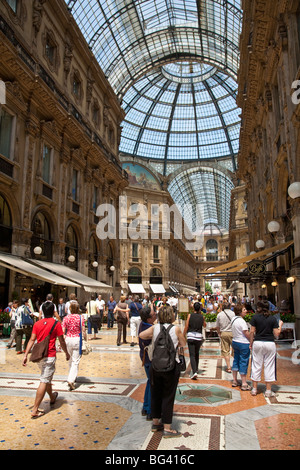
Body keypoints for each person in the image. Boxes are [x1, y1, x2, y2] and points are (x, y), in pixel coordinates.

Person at [139, 305, 186, 438]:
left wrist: (152, 340)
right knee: (168, 396)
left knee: (156, 394)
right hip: (171, 367)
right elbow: (183, 344)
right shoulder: (176, 329)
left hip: (156, 366)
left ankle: (155, 423)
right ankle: (167, 428)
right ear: (171, 316)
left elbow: (141, 335)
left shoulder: (155, 328)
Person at [22, 301, 70, 418]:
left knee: (46, 377)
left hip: (39, 356)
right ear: (53, 311)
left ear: (42, 311)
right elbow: (62, 341)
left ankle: (52, 397)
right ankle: (35, 409)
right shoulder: (56, 324)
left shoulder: (37, 324)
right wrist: (66, 353)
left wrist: (26, 354)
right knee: (44, 380)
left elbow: (32, 340)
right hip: (49, 355)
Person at [249, 300, 283, 397]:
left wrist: (251, 343)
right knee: (269, 365)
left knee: (256, 365)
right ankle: (268, 391)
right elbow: (276, 334)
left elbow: (252, 332)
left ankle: (254, 389)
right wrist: (280, 325)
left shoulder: (255, 317)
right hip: (269, 343)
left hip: (258, 342)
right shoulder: (272, 319)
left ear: (258, 307)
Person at [62, 301, 86, 391]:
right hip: (77, 340)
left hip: (68, 339)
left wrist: (62, 341)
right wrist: (85, 340)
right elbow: (83, 330)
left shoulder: (66, 318)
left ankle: (71, 376)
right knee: (76, 361)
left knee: (70, 359)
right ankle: (71, 379)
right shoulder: (80, 317)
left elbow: (63, 330)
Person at [138, 306, 156, 420]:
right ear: (149, 319)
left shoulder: (142, 324)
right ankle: (149, 410)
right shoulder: (151, 328)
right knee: (152, 383)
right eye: (154, 314)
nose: (156, 315)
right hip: (150, 357)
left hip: (144, 357)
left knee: (150, 381)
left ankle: (145, 407)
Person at [230, 304, 251, 390]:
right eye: (244, 309)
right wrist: (251, 339)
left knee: (236, 359)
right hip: (243, 342)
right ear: (240, 311)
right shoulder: (242, 321)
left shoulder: (233, 319)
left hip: (235, 341)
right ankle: (244, 383)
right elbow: (246, 332)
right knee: (243, 361)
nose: (246, 311)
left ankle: (235, 380)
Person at [183, 302, 206, 379]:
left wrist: (183, 335)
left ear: (193, 308)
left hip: (190, 336)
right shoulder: (202, 316)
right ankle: (196, 368)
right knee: (196, 353)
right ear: (200, 308)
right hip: (198, 337)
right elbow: (204, 325)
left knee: (192, 355)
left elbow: (186, 326)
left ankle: (194, 371)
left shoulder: (190, 315)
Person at [216, 301, 235, 373]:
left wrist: (219, 333)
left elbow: (217, 326)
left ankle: (229, 367)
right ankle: (235, 365)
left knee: (225, 350)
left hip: (224, 333)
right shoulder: (233, 313)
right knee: (234, 349)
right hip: (232, 333)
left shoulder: (220, 314)